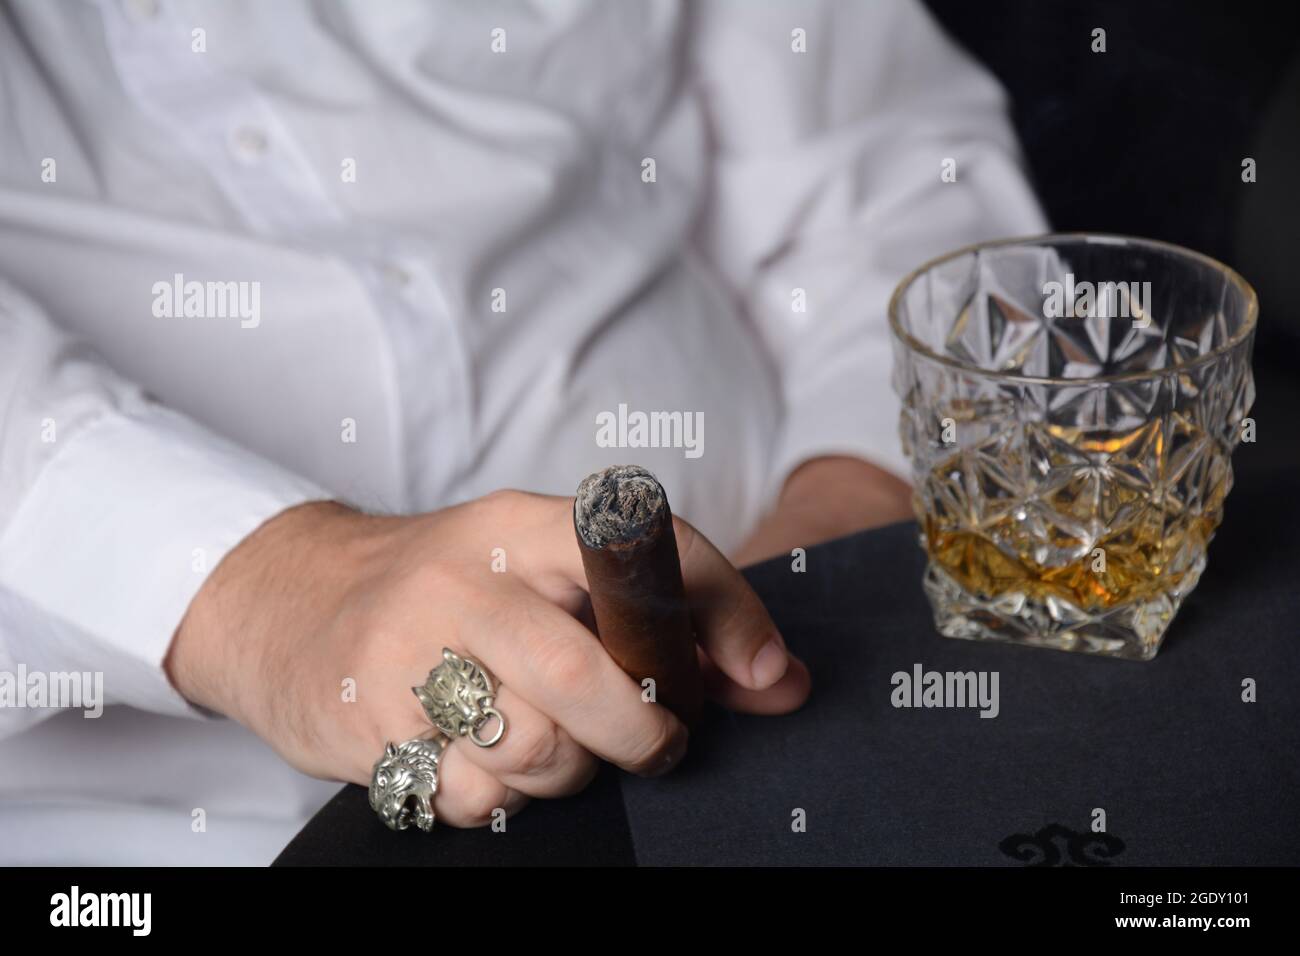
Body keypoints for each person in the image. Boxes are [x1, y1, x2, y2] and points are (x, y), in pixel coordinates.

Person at [0, 0, 1045, 865]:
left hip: (820, 681)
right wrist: (263, 590)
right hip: (165, 841)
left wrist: (847, 505)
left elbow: (894, 164)